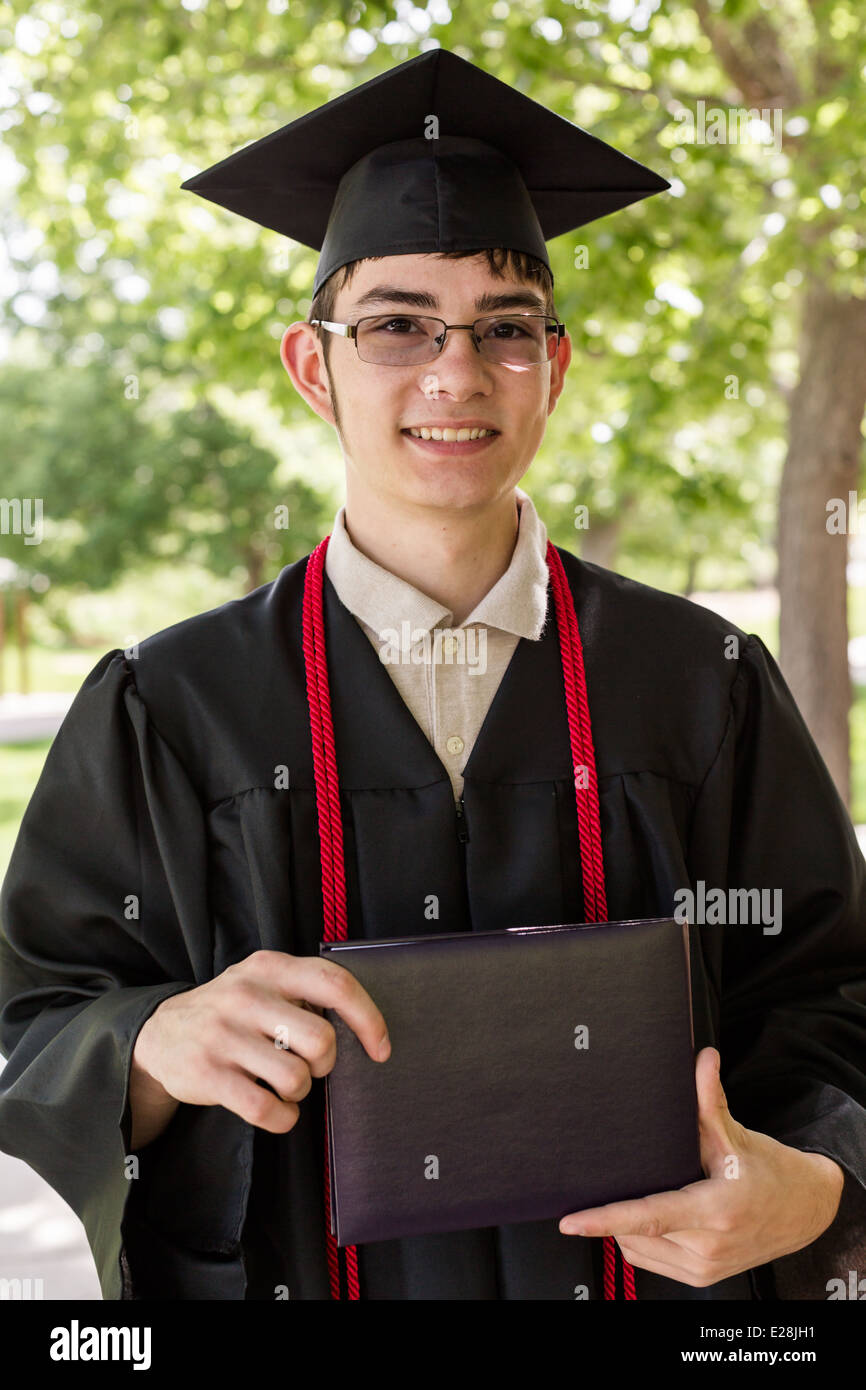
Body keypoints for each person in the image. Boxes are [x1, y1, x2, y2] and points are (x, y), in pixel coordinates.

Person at [1, 48, 865, 1303]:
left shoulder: (701, 680)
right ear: (314, 367)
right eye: (396, 325)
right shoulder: (166, 707)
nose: (454, 374)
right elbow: (31, 1024)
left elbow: (827, 991)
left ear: (552, 371)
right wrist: (149, 1042)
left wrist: (817, 1184)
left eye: (504, 330)